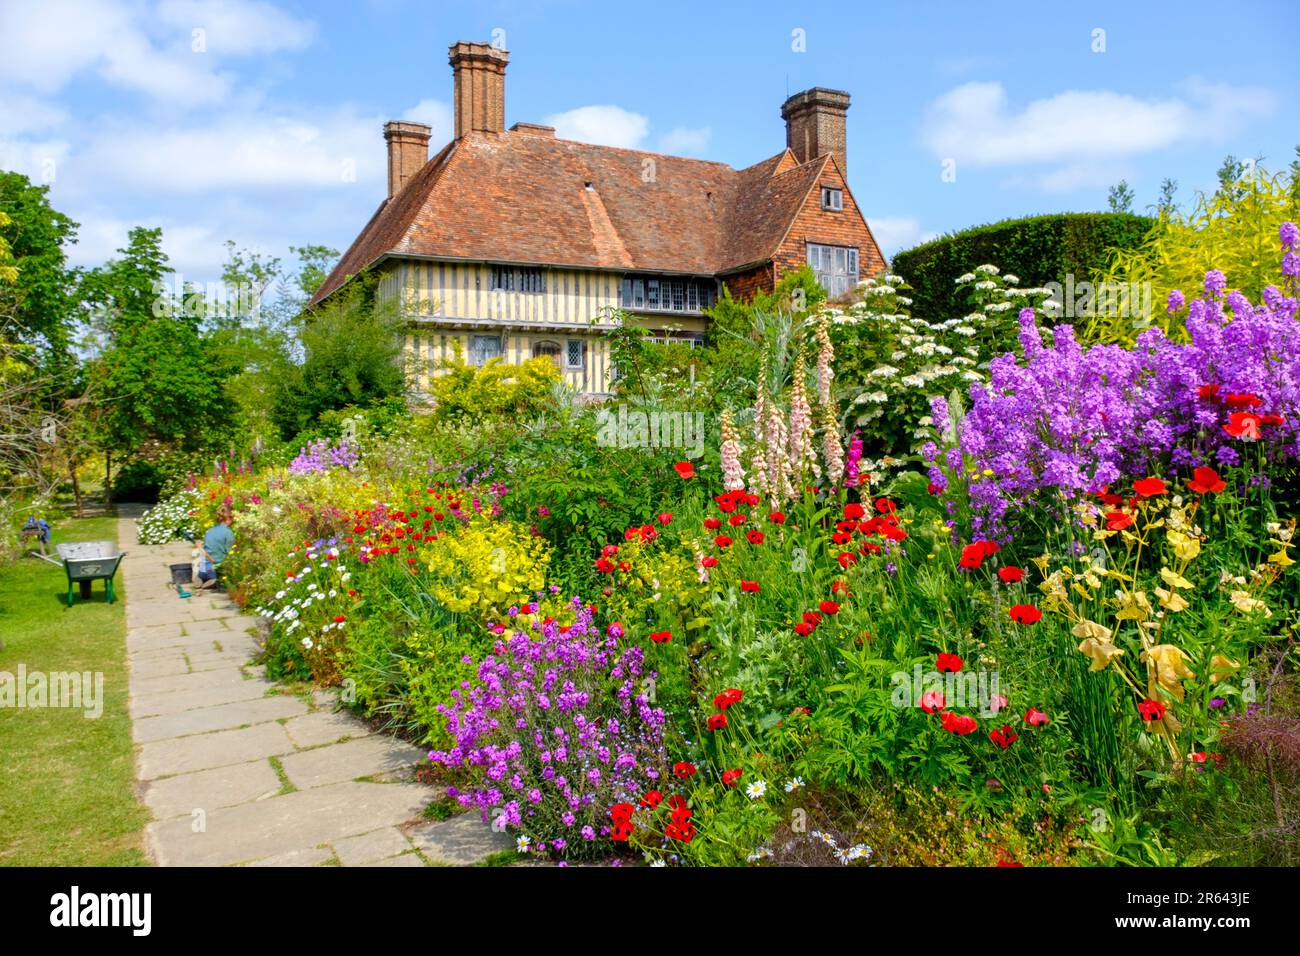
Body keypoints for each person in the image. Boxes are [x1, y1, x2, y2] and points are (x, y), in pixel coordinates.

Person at [191, 506, 235, 590]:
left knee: (198, 553)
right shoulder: (228, 533)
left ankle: (199, 578)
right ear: (230, 518)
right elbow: (231, 554)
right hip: (215, 568)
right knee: (222, 568)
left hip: (204, 567)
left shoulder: (210, 530)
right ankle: (214, 580)